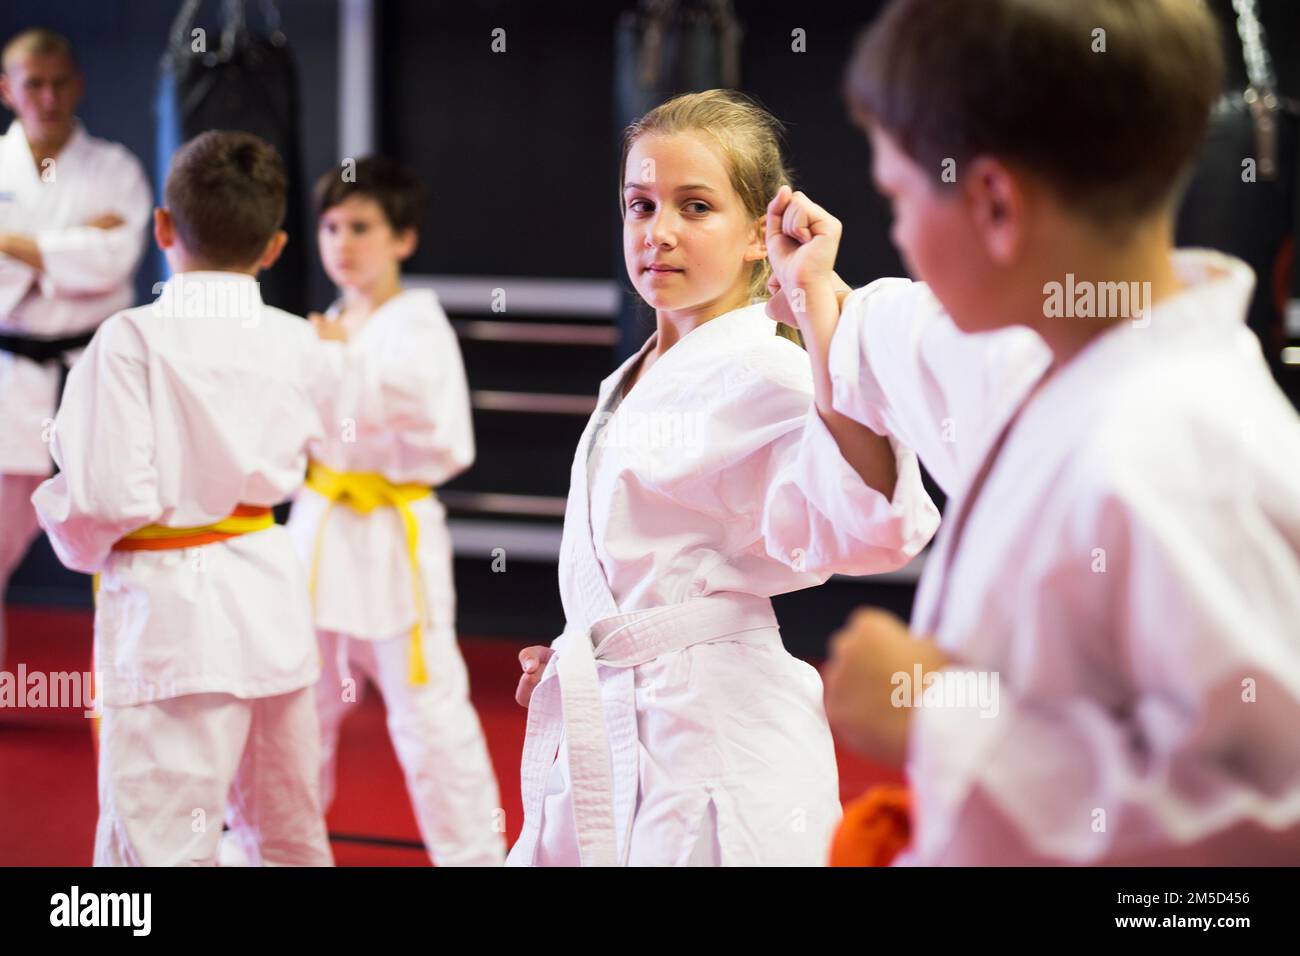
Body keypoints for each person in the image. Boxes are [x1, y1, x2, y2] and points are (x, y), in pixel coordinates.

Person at [767, 0, 1300, 865]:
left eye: (898, 199)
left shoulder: (1183, 451)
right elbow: (898, 336)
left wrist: (934, 713)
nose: (896, 233)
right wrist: (809, 293)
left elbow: (1247, 848)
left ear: (996, 207)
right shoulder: (1050, 366)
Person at [508, 90, 939, 866]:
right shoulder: (634, 376)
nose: (658, 233)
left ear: (757, 233)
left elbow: (874, 520)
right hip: (628, 710)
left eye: (695, 206)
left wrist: (813, 307)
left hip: (716, 742)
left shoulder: (763, 364)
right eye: (640, 205)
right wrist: (593, 645)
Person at [33, 130, 430, 866]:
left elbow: (106, 498)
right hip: (271, 602)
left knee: (155, 845)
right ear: (277, 246)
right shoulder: (302, 342)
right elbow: (353, 444)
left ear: (161, 227)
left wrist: (68, 526)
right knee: (286, 834)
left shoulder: (129, 340)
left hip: (166, 618)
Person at [286, 157, 505, 866]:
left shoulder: (418, 324)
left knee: (428, 708)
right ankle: (283, 845)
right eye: (328, 227)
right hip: (318, 528)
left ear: (402, 239)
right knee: (297, 705)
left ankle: (471, 855)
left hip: (391, 535)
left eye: (361, 227)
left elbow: (433, 426)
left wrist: (337, 359)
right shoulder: (329, 326)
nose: (342, 242)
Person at [0, 28, 151, 666]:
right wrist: (71, 243)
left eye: (61, 81)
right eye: (34, 82)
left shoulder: (115, 167)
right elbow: (86, 257)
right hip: (12, 375)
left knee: (129, 545)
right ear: (8, 90)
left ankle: (134, 693)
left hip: (93, 372)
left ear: (80, 84)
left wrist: (17, 243)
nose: (50, 95)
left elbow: (115, 261)